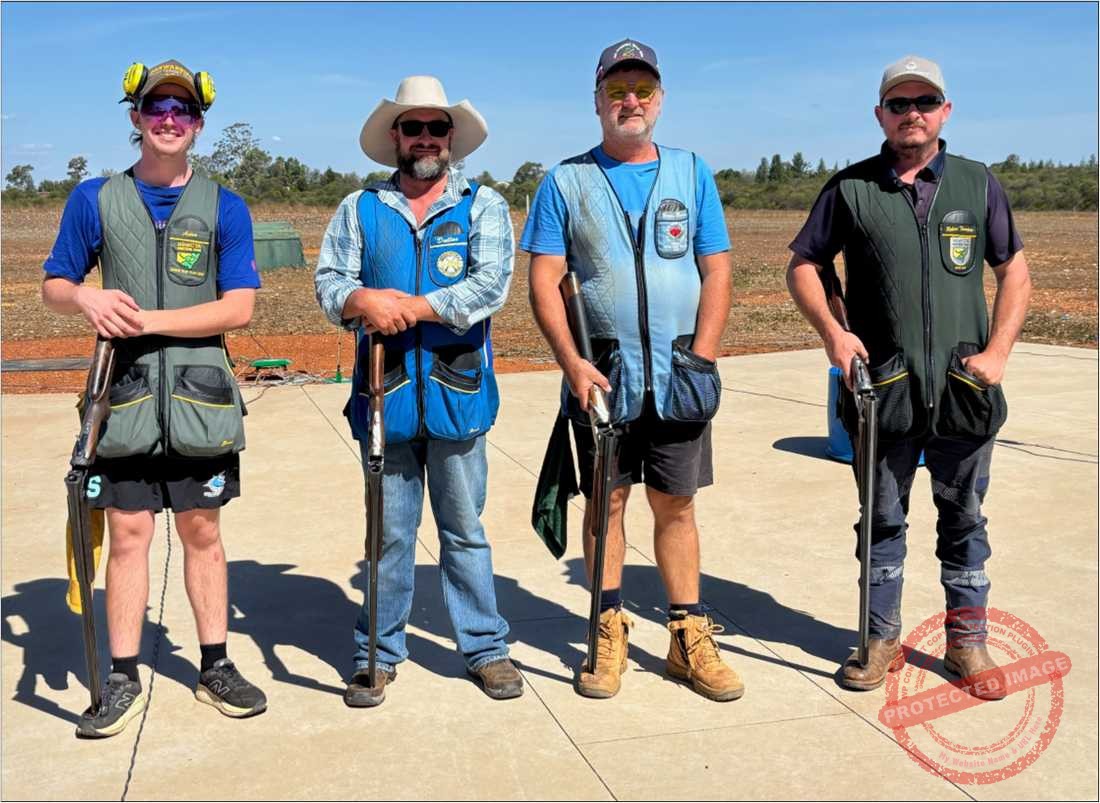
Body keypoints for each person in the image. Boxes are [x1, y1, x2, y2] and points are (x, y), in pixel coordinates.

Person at [786, 55, 1031, 695]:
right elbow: (805, 265)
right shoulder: (851, 187)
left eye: (924, 102)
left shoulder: (978, 185)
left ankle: (967, 645)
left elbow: (1015, 272)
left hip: (962, 392)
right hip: (883, 393)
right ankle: (878, 638)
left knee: (966, 522)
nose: (912, 114)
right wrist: (836, 336)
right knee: (883, 523)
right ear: (880, 116)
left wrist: (998, 352)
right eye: (899, 104)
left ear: (945, 111)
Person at [42, 59, 266, 737]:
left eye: (182, 110)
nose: (169, 120)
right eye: (155, 108)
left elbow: (240, 307)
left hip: (201, 400)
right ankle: (121, 675)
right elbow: (55, 283)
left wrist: (147, 322)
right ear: (136, 118)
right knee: (130, 536)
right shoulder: (95, 199)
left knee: (204, 532)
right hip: (127, 400)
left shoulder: (226, 205)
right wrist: (85, 296)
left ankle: (215, 664)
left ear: (198, 125)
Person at [523, 39, 742, 701]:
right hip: (606, 373)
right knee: (606, 504)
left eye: (642, 89)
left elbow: (717, 268)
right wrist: (574, 364)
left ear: (660, 99)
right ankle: (607, 627)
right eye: (617, 90)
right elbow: (544, 280)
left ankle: (685, 634)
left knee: (677, 506)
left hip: (677, 370)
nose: (630, 101)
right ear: (596, 101)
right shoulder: (565, 181)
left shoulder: (691, 171)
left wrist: (701, 354)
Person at [314, 75, 521, 707]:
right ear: (395, 137)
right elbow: (329, 284)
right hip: (385, 396)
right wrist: (361, 299)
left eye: (436, 127)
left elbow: (490, 287)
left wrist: (416, 306)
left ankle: (485, 649)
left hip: (458, 396)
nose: (425, 137)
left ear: (452, 138)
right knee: (388, 534)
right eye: (413, 127)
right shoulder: (359, 208)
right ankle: (376, 652)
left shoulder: (482, 207)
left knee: (464, 531)